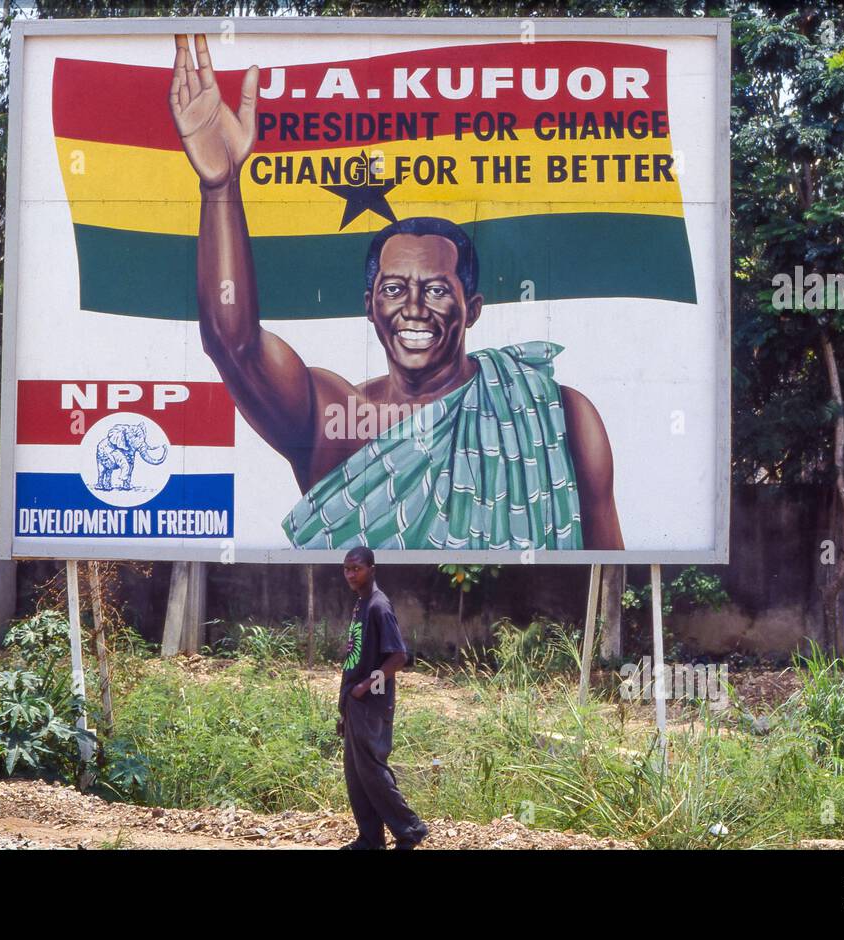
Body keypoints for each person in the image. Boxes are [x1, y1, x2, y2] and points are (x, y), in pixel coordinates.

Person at [168, 34, 624, 550]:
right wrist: (220, 187)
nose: (413, 308)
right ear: (370, 305)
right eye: (393, 288)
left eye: (434, 290)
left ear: (471, 309)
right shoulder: (341, 422)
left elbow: (607, 576)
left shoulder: (558, 418)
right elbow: (234, 344)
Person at [333, 546, 429, 849]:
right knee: (356, 775)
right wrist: (347, 703)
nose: (351, 574)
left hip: (371, 704)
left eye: (356, 568)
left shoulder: (378, 606)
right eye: (347, 568)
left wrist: (364, 688)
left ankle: (410, 829)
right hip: (355, 704)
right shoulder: (361, 604)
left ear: (372, 569)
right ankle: (370, 839)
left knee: (373, 772)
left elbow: (398, 657)